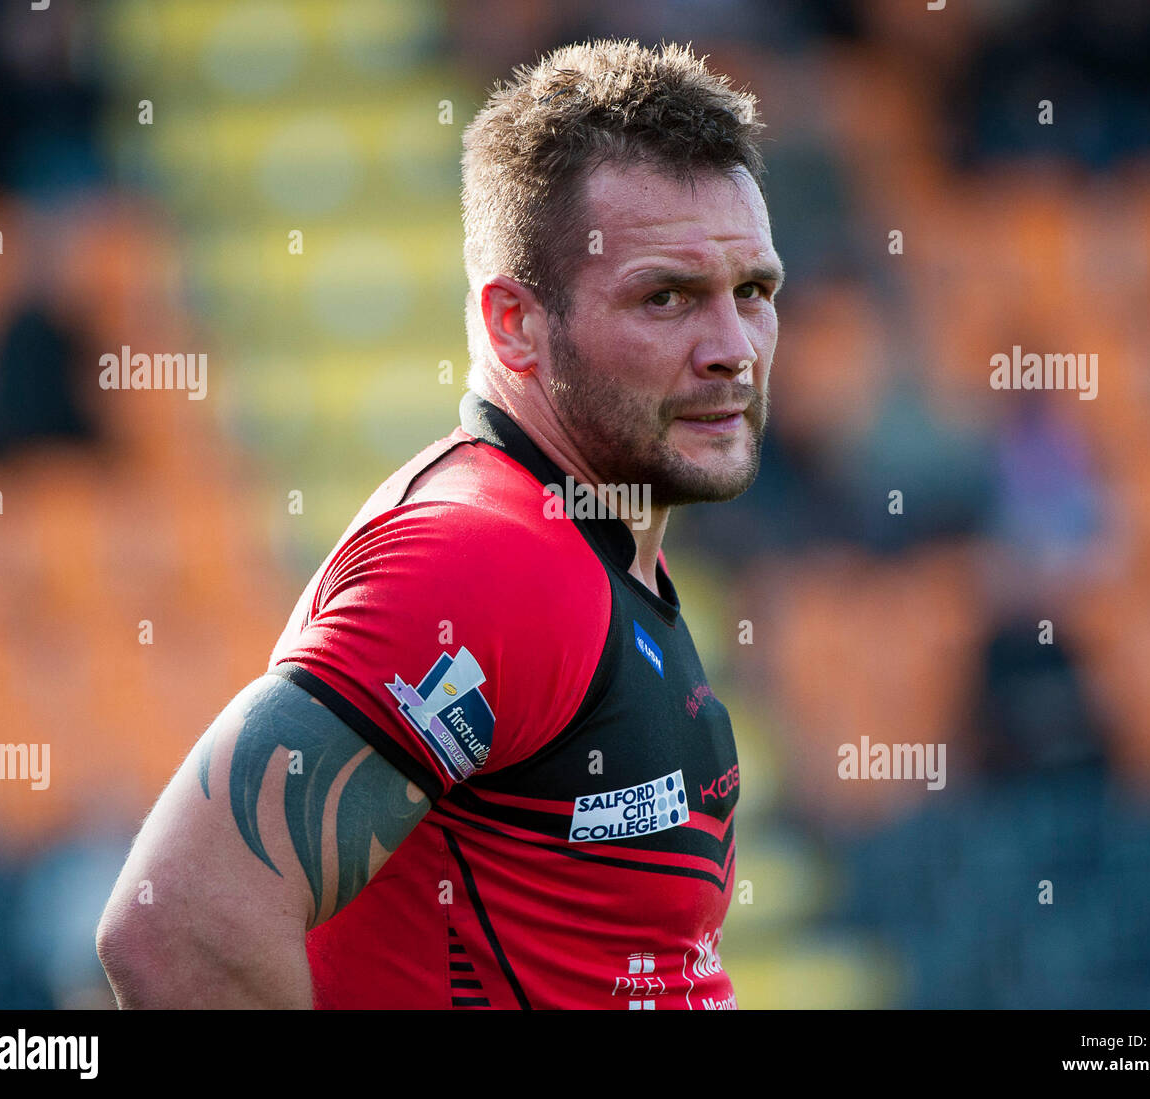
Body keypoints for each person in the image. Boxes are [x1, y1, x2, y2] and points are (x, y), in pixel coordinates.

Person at [96, 37, 783, 1010]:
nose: (732, 349)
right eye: (664, 296)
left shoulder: (592, 542)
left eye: (752, 292)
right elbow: (176, 926)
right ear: (513, 324)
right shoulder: (482, 557)